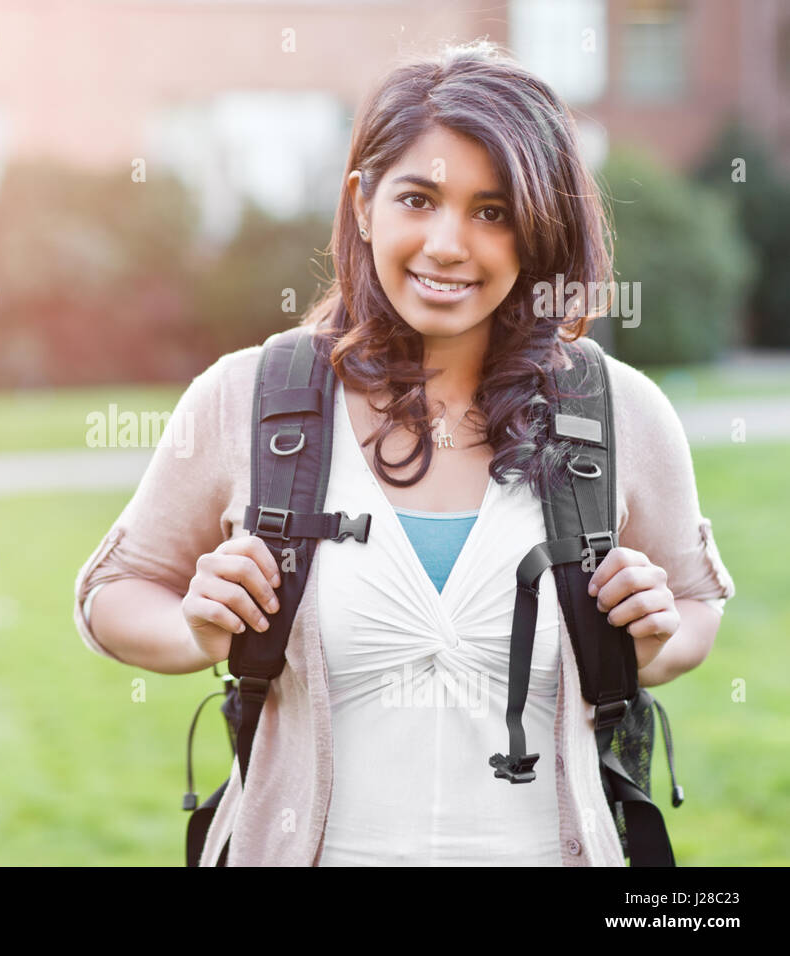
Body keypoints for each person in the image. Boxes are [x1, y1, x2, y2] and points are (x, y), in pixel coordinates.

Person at [71, 39, 736, 866]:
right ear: (362, 203)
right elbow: (112, 592)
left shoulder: (618, 412)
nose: (449, 244)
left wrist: (652, 641)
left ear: (540, 228)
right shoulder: (246, 398)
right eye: (418, 199)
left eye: (493, 212)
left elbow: (696, 607)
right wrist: (195, 630)